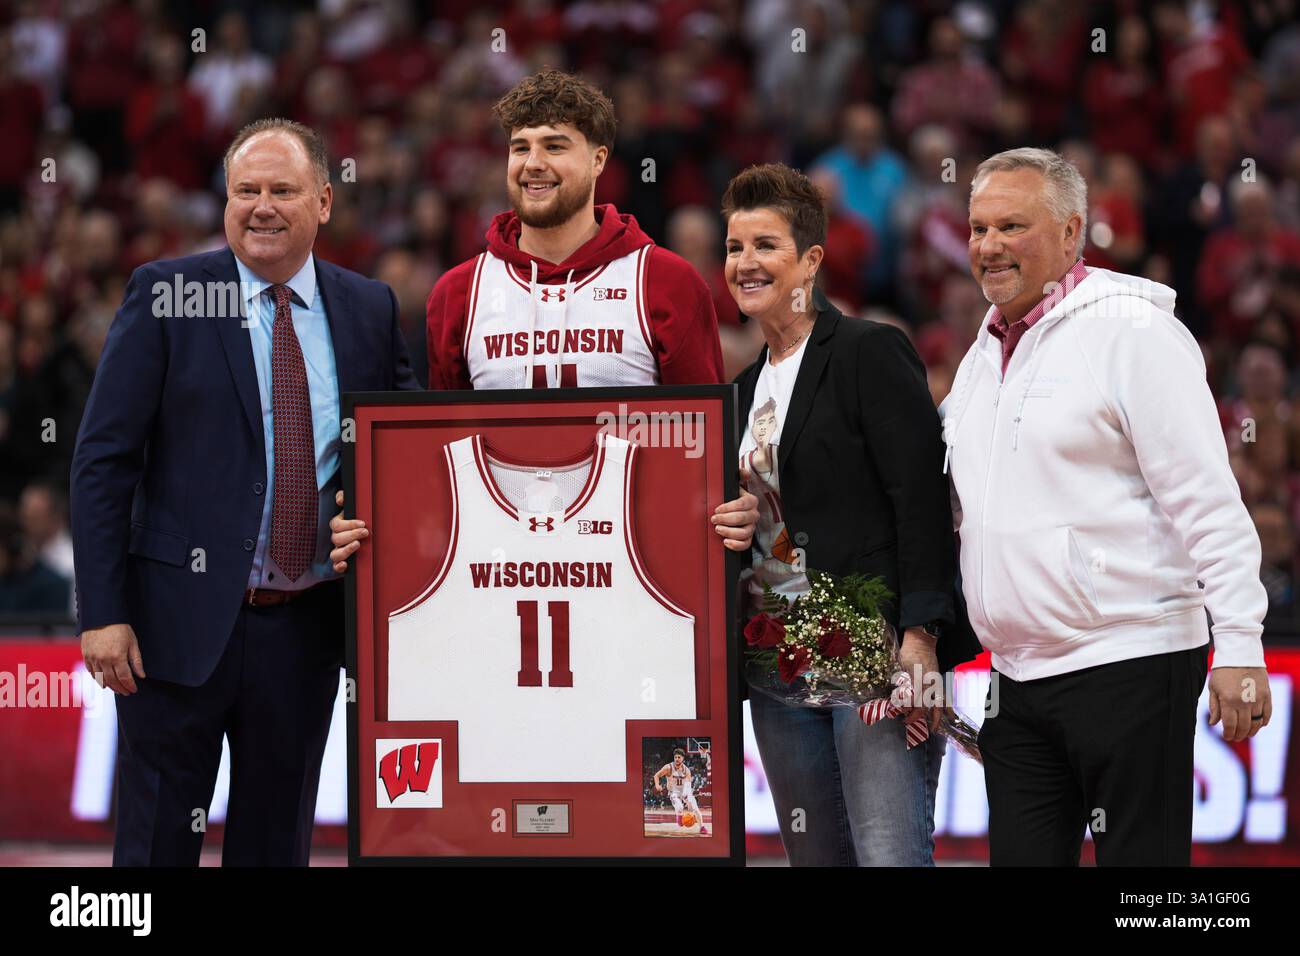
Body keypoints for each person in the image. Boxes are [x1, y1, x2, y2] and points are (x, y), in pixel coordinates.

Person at [70, 118, 419, 867]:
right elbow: (103, 460)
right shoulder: (168, 295)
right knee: (156, 847)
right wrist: (102, 612)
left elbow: (404, 455)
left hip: (305, 629)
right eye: (245, 191)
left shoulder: (370, 308)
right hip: (171, 630)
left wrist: (368, 513)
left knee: (274, 848)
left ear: (323, 200)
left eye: (282, 190)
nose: (261, 207)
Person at [942, 147, 1273, 866]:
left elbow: (1209, 500)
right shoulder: (981, 356)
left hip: (1131, 659)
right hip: (1015, 680)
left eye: (1011, 226)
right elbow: (956, 510)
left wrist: (1240, 642)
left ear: (1071, 232)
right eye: (978, 228)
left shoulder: (1134, 333)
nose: (989, 246)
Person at [330, 70, 756, 570]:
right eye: (520, 148)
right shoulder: (457, 293)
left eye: (555, 146)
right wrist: (377, 509)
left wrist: (732, 507)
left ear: (598, 160)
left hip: (636, 564)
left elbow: (700, 444)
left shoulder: (667, 282)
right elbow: (448, 456)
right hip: (498, 567)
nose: (533, 163)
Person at [724, 163, 980, 866]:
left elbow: (921, 499)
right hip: (775, 666)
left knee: (889, 855)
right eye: (735, 247)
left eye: (765, 245)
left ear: (810, 260)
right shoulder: (737, 393)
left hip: (873, 657)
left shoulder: (869, 351)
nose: (745, 263)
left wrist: (921, 638)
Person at [653, 749, 706, 835]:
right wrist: (657, 785)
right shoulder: (668, 767)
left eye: (679, 757)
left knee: (695, 808)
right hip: (674, 792)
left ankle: (702, 827)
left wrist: (687, 797)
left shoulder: (687, 770)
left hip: (685, 790)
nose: (677, 759)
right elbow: (656, 775)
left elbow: (688, 784)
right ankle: (679, 815)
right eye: (675, 757)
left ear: (683, 758)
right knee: (680, 807)